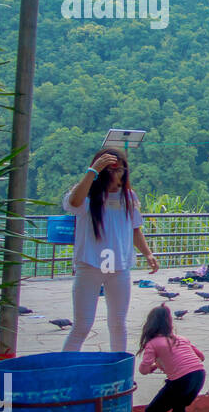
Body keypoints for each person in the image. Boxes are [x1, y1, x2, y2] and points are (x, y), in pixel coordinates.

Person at [61, 147, 159, 353]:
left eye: (121, 170)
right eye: (112, 170)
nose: (117, 175)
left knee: (118, 324)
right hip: (89, 264)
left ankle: (118, 371)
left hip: (119, 266)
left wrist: (148, 253)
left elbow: (134, 229)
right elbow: (73, 203)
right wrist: (92, 170)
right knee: (82, 325)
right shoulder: (87, 196)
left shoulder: (128, 197)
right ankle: (65, 370)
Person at [136, 305, 206, 412]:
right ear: (169, 323)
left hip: (181, 380)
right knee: (179, 405)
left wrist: (155, 365)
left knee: (152, 411)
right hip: (199, 375)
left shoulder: (153, 344)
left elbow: (143, 370)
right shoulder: (181, 339)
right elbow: (200, 357)